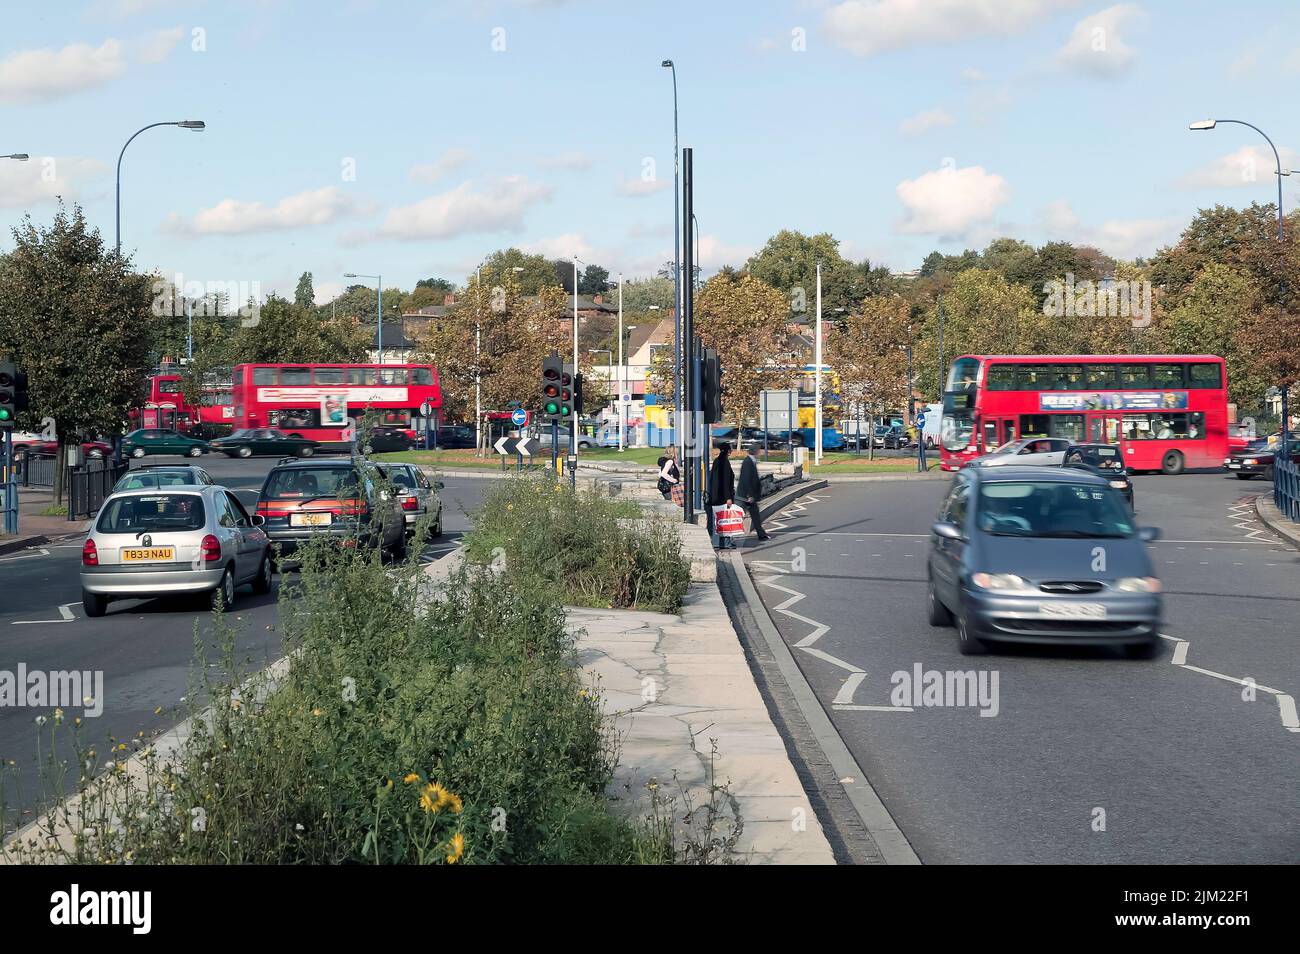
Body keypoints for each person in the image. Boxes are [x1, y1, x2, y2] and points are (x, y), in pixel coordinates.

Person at [735, 444, 770, 542]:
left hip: (750, 496)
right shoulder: (748, 462)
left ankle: (761, 535)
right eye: (759, 450)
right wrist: (749, 495)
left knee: (755, 516)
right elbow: (746, 479)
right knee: (737, 516)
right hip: (744, 496)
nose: (760, 452)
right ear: (755, 451)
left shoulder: (752, 461)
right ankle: (728, 536)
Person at [708, 442, 736, 549]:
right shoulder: (724, 463)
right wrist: (728, 498)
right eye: (730, 450)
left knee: (717, 520)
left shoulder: (717, 461)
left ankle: (718, 542)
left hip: (715, 496)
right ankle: (725, 543)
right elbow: (725, 482)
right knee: (725, 520)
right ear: (728, 451)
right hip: (722, 497)